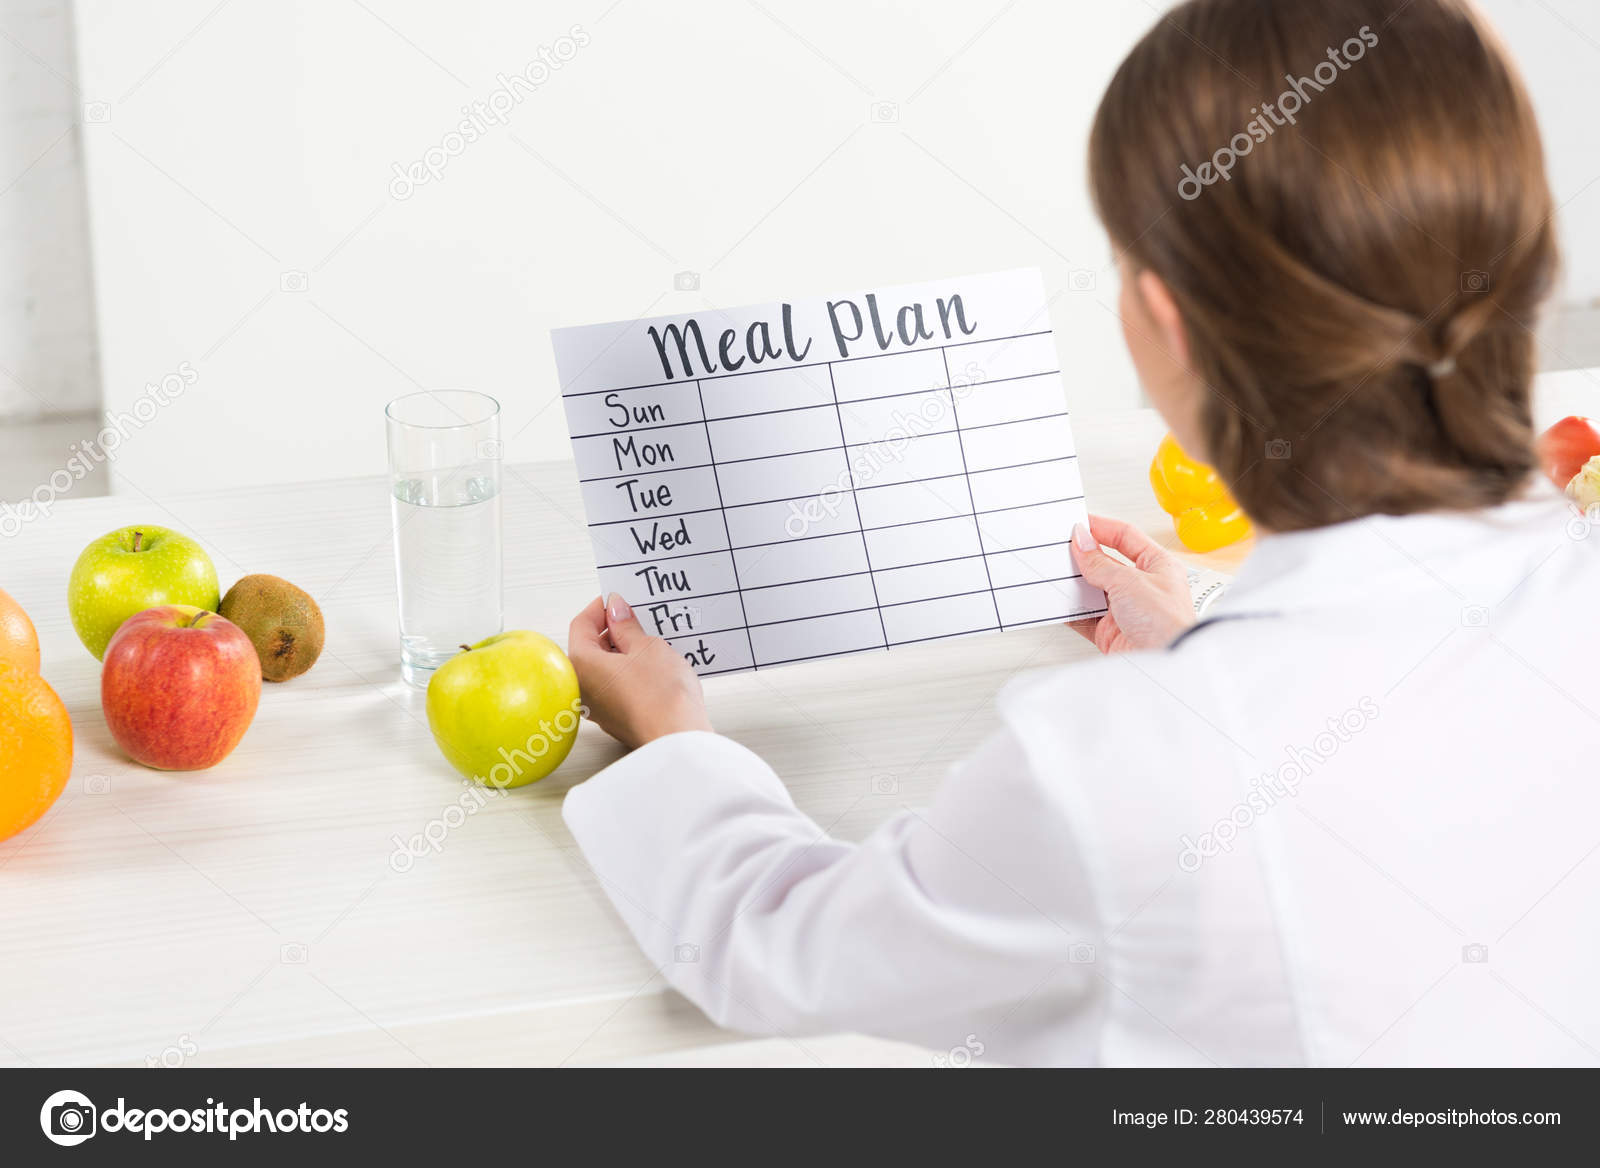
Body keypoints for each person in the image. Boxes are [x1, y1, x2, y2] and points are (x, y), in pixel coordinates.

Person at [561, 0, 1598, 1065]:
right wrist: (1206, 654)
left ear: (1167, 323)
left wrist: (671, 735)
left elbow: (778, 949)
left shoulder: (1114, 771)